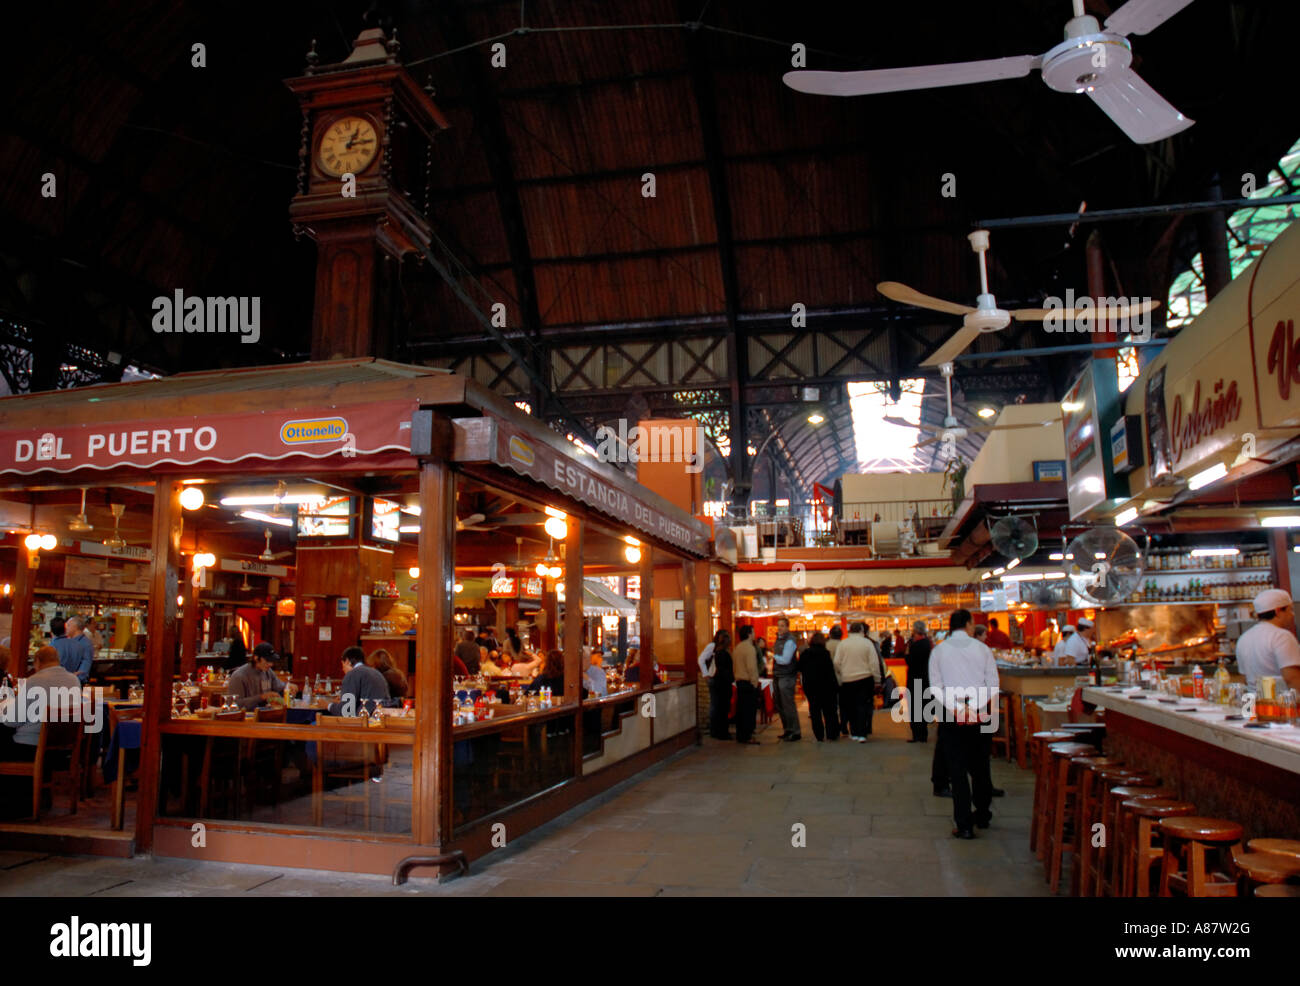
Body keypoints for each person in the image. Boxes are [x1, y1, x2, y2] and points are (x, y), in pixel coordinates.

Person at [929, 609, 1000, 839]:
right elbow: (992, 682)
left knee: (957, 771)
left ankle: (964, 824)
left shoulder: (939, 650)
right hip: (979, 713)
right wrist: (974, 705)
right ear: (969, 624)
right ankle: (983, 813)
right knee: (981, 766)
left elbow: (936, 687)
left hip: (951, 715)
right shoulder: (983, 649)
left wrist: (957, 708)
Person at [0, 646, 80, 759]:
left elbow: (13, 721)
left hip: (31, 748)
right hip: (64, 748)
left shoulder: (35, 680)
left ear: (37, 661)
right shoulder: (74, 680)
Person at [1235, 588, 1300, 692]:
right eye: (1290, 610)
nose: (1293, 614)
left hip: (1254, 703)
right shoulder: (1282, 637)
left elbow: (1244, 679)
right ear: (1278, 611)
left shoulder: (1243, 638)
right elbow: (1292, 678)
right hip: (1280, 704)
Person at [833, 622, 878, 742]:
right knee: (862, 706)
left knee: (851, 706)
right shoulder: (867, 643)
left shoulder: (843, 644)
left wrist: (842, 672)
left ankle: (854, 732)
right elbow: (874, 663)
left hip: (847, 680)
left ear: (849, 631)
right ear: (861, 631)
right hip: (865, 678)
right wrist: (877, 679)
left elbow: (836, 662)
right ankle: (862, 733)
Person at [798, 631, 839, 742]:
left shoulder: (805, 653)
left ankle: (819, 735)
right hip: (826, 686)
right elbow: (830, 671)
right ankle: (831, 734)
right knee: (829, 711)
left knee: (815, 712)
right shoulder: (825, 654)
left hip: (811, 687)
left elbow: (799, 668)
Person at [226, 642, 290, 711]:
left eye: (272, 661)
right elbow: (233, 704)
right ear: (256, 658)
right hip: (248, 717)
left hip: (266, 713)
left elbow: (279, 687)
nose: (271, 664)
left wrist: (288, 686)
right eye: (267, 660)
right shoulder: (239, 676)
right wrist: (261, 697)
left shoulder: (268, 671)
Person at [328, 646, 390, 716]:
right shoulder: (377, 673)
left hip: (363, 721)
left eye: (343, 665)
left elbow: (346, 711)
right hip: (382, 718)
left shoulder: (351, 674)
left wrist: (328, 705)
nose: (343, 669)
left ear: (348, 662)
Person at [771, 617, 801, 741]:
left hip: (787, 676)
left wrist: (773, 656)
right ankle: (787, 729)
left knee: (788, 704)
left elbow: (785, 660)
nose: (780, 628)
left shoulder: (790, 641)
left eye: (782, 625)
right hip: (778, 675)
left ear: (788, 627)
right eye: (779, 625)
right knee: (780, 704)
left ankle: (795, 731)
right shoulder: (778, 640)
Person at [731, 626, 760, 744]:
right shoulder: (749, 648)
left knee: (741, 710)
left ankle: (741, 735)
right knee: (749, 711)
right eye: (753, 632)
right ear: (749, 634)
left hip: (739, 681)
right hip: (748, 683)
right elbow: (751, 667)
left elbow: (734, 666)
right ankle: (747, 735)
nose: (754, 634)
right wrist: (754, 682)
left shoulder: (737, 648)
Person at [906, 620, 932, 744]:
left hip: (915, 679)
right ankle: (923, 734)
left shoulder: (915, 645)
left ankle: (917, 735)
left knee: (915, 708)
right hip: (925, 679)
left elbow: (910, 661)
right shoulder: (928, 643)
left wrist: (907, 652)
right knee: (923, 706)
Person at [49, 616, 93, 684]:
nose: (66, 628)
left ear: (75, 627)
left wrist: (75, 678)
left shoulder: (85, 643)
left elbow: (85, 664)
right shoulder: (71, 642)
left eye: (68, 625)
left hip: (74, 682)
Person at [707, 630, 734, 739]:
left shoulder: (717, 652)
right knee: (723, 708)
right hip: (723, 684)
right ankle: (722, 732)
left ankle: (716, 731)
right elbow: (725, 670)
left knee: (718, 707)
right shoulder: (724, 654)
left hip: (718, 682)